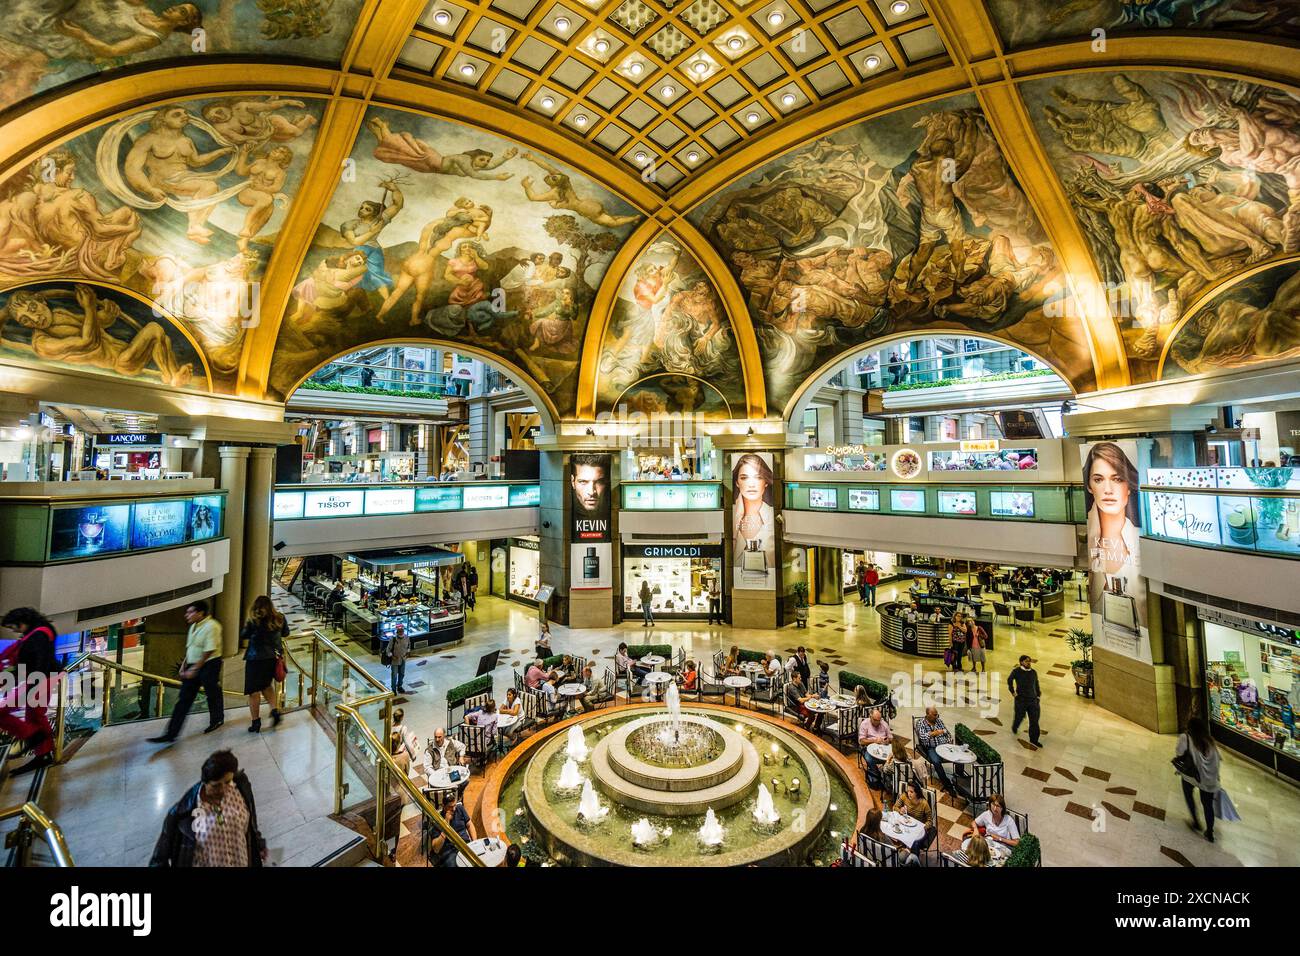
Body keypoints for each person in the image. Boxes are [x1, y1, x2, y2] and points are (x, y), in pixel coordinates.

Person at [151, 750, 266, 868]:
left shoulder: (241, 789)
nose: (223, 790)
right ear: (205, 782)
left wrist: (259, 845)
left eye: (227, 782)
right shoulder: (182, 813)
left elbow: (251, 825)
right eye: (216, 786)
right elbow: (158, 860)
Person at [150, 600, 224, 743]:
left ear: (200, 613)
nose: (187, 615)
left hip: (209, 664)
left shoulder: (212, 626)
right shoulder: (193, 627)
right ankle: (171, 733)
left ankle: (217, 719)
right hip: (193, 663)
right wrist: (184, 665)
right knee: (184, 699)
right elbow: (190, 647)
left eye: (190, 612)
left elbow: (209, 650)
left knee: (212, 693)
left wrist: (195, 668)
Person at [0, 607, 59, 776]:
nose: (14, 631)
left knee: (15, 714)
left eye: (14, 627)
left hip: (40, 681)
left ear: (22, 622)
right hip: (41, 680)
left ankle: (34, 737)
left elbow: (39, 662)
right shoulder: (41, 631)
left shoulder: (38, 636)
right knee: (35, 716)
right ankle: (43, 753)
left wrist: (31, 686)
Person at [240, 595, 286, 734]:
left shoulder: (254, 620)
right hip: (272, 658)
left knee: (253, 691)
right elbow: (286, 632)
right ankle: (274, 710)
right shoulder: (280, 618)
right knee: (266, 686)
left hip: (255, 659)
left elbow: (244, 635)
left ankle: (255, 722)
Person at [1176, 717, 1221, 843]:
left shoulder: (1186, 738)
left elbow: (1179, 753)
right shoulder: (1210, 741)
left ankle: (1196, 821)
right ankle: (1210, 832)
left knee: (1188, 795)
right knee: (1208, 805)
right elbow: (1218, 760)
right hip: (1209, 780)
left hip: (1191, 775)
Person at [428, 790, 474, 867]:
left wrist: (474, 842)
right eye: (450, 807)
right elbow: (436, 848)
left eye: (454, 805)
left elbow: (470, 825)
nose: (453, 809)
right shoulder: (437, 819)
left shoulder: (459, 808)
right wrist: (446, 823)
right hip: (449, 852)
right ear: (443, 806)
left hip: (465, 845)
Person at [915, 706, 955, 793]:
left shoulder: (939, 721)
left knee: (957, 754)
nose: (937, 716)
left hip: (943, 745)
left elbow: (947, 733)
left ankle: (958, 778)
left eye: (937, 714)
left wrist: (949, 741)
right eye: (935, 715)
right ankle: (947, 784)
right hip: (931, 747)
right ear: (928, 714)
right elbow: (922, 737)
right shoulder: (921, 723)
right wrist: (935, 733)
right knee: (936, 762)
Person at [1007, 655, 1042, 747]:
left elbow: (1036, 684)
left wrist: (1038, 695)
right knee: (1020, 716)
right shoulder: (1016, 671)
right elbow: (1009, 680)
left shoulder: (1033, 672)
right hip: (1021, 700)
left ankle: (1034, 740)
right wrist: (1013, 692)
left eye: (1030, 661)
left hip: (1033, 700)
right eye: (1027, 661)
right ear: (1021, 662)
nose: (1029, 663)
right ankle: (1015, 726)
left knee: (1034, 721)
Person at [858, 707, 891, 787]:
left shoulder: (884, 724)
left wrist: (887, 740)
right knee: (869, 759)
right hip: (868, 748)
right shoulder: (864, 724)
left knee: (891, 758)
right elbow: (861, 741)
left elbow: (890, 737)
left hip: (883, 747)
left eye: (879, 720)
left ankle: (886, 774)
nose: (877, 722)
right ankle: (876, 774)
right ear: (870, 717)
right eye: (875, 720)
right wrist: (874, 741)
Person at [389, 624, 410, 694]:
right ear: (397, 632)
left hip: (403, 659)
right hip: (395, 661)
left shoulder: (407, 638)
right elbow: (388, 650)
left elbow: (408, 647)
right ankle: (393, 688)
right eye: (399, 631)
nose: (401, 632)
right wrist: (392, 656)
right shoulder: (393, 639)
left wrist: (407, 654)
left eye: (402, 631)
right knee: (394, 675)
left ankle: (400, 686)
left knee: (402, 674)